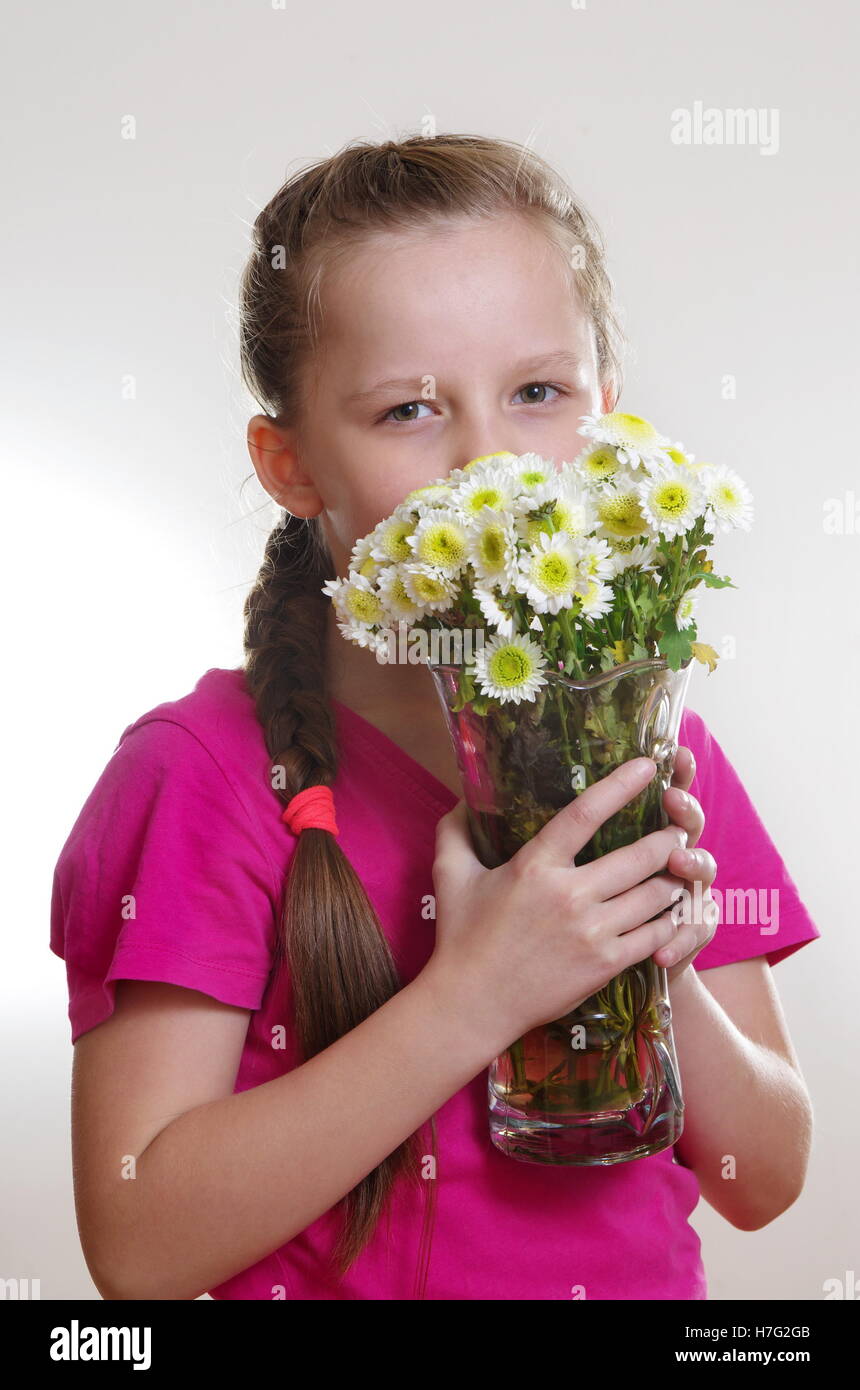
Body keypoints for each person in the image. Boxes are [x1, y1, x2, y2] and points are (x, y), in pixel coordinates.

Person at [50, 134, 819, 1301]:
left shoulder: (654, 744)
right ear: (291, 464)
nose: (486, 467)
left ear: (606, 417)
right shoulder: (203, 772)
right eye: (407, 409)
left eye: (537, 393)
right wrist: (478, 992)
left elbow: (762, 1176)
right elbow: (138, 1248)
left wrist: (653, 967)